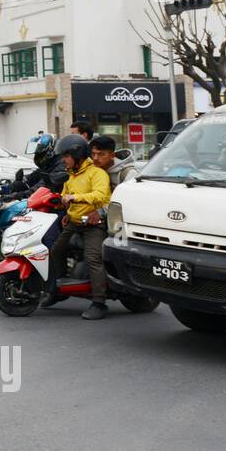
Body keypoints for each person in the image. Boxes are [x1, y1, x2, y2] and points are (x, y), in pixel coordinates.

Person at [42, 134, 112, 320]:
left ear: (77, 155)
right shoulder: (71, 176)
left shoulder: (97, 173)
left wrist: (75, 198)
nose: (63, 160)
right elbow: (64, 195)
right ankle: (58, 291)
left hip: (93, 224)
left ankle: (99, 302)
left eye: (66, 156)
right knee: (55, 251)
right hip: (74, 222)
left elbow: (99, 195)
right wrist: (63, 209)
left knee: (93, 258)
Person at [87, 135, 135, 227]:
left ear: (112, 155)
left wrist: (100, 212)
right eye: (93, 154)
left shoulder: (128, 173)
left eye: (101, 154)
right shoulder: (92, 169)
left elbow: (126, 202)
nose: (95, 158)